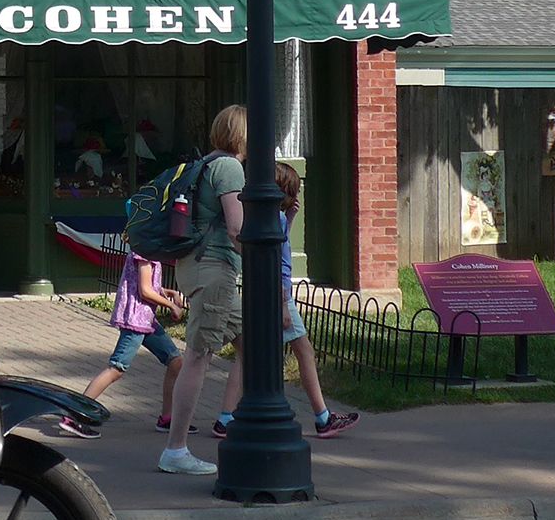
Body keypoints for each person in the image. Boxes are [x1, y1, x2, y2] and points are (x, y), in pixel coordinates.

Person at [161, 110, 356, 477]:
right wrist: (265, 261)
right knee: (199, 355)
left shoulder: (207, 163)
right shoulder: (231, 169)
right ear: (243, 135)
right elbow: (237, 230)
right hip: (214, 271)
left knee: (253, 347)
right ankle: (175, 449)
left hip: (197, 266)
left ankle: (233, 418)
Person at [210, 160, 356, 441]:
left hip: (263, 291)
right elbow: (279, 263)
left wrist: (288, 222)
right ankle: (322, 418)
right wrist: (282, 305)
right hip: (279, 294)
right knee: (304, 351)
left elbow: (276, 247)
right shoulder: (272, 219)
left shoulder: (266, 219)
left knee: (248, 355)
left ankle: (225, 417)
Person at [59, 249, 185, 438]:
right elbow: (145, 291)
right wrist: (171, 305)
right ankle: (75, 416)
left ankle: (167, 419)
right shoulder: (144, 251)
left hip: (147, 321)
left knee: (176, 361)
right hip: (136, 321)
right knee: (116, 368)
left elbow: (149, 285)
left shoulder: (149, 249)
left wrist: (168, 292)